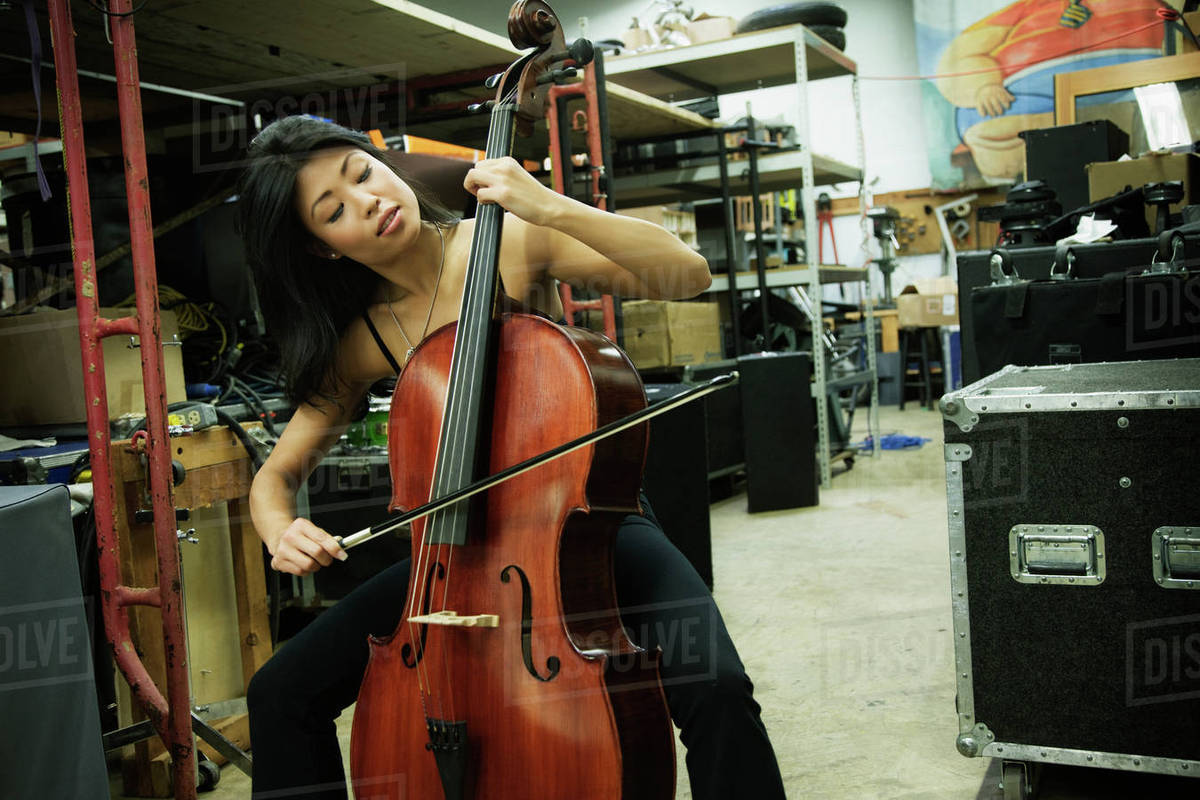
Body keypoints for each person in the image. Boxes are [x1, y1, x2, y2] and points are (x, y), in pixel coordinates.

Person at [239, 115, 786, 800]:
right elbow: (275, 476)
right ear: (320, 249)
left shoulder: (506, 241)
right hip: (453, 555)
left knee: (720, 688)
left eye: (362, 173)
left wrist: (549, 204)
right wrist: (280, 529)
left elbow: (688, 276)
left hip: (587, 528)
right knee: (281, 692)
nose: (370, 200)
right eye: (335, 210)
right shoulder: (364, 337)